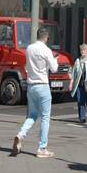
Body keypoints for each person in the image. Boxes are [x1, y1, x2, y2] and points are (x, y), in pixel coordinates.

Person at [12, 25, 58, 158]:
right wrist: (54, 60)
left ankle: (21, 134)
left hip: (31, 86)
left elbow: (27, 65)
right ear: (46, 38)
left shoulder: (29, 49)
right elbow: (54, 69)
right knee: (45, 117)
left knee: (32, 115)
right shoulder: (46, 50)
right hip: (43, 85)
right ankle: (42, 148)